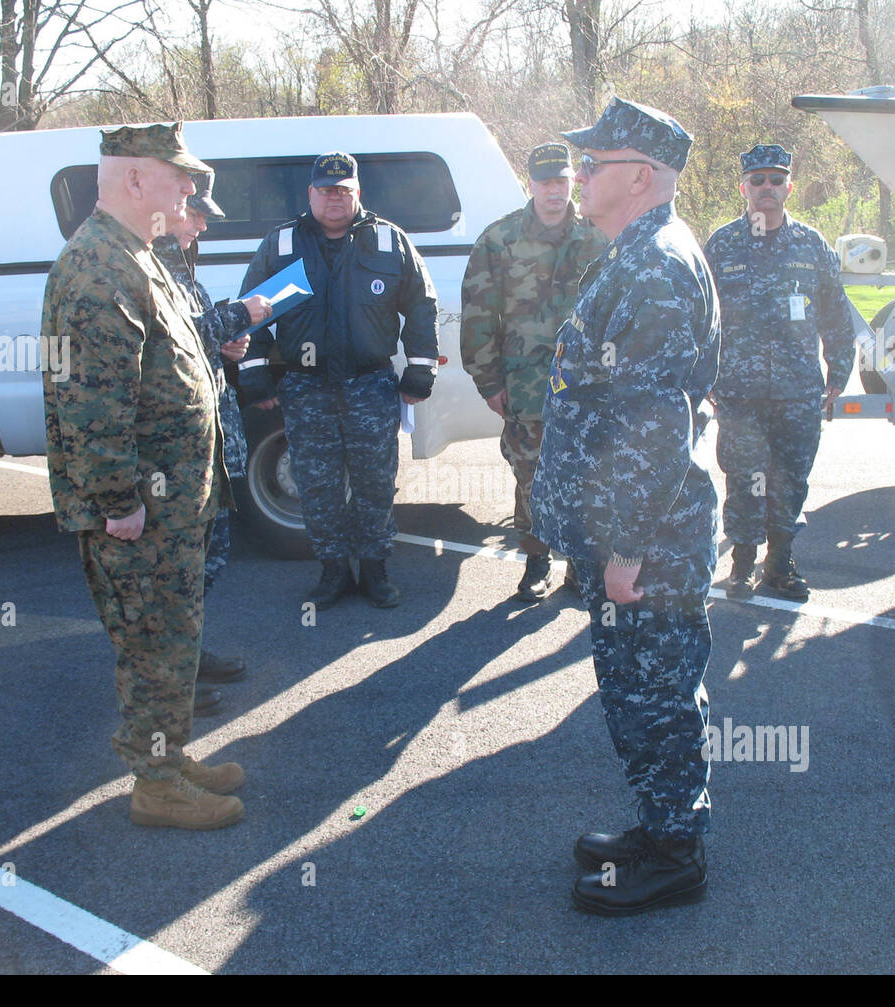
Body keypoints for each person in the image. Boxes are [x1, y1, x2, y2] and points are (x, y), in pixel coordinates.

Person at [529, 98, 721, 915]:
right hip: (632, 538)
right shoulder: (637, 250)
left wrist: (626, 549)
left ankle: (675, 854)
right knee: (641, 693)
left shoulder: (655, 265)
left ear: (639, 176)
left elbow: (656, 424)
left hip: (650, 546)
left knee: (658, 697)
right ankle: (659, 825)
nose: (577, 176)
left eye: (593, 164)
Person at [41, 122, 243, 830]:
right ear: (133, 179)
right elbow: (92, 400)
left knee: (172, 638)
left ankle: (168, 754)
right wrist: (117, 502)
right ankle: (156, 783)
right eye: (177, 175)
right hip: (141, 514)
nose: (190, 189)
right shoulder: (99, 267)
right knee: (153, 644)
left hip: (170, 506)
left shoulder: (138, 254)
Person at [236, 151, 439, 609]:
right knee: (317, 485)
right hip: (306, 388)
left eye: (343, 190)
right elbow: (251, 311)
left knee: (374, 483)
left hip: (371, 386)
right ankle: (331, 571)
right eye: (326, 191)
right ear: (310, 193)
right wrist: (255, 376)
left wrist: (420, 369)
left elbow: (422, 304)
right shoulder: (283, 245)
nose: (334, 198)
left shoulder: (388, 241)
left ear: (357, 193)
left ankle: (374, 571)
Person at [704, 144, 855, 601]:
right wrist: (704, 377)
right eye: (757, 180)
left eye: (775, 179)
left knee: (791, 477)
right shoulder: (722, 244)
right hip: (739, 392)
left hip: (797, 390)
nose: (766, 188)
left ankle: (781, 563)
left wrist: (839, 370)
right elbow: (701, 317)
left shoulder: (811, 245)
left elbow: (836, 313)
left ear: (789, 186)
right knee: (744, 478)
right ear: (743, 187)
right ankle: (743, 563)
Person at [460, 142, 606, 602]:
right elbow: (479, 315)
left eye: (561, 182)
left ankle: (582, 565)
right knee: (533, 477)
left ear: (570, 183)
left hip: (587, 387)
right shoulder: (499, 240)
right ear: (531, 185)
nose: (554, 192)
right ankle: (537, 561)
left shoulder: (596, 237)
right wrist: (488, 382)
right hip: (526, 386)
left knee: (586, 474)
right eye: (545, 183)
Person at [152, 171, 272, 714]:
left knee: (205, 564)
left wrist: (228, 346)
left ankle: (188, 656)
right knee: (174, 572)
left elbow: (197, 342)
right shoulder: (150, 269)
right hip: (176, 455)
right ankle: (168, 682)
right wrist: (238, 316)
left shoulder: (184, 269)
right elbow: (173, 340)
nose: (202, 223)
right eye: (195, 211)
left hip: (208, 447)